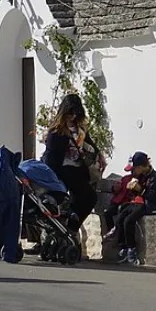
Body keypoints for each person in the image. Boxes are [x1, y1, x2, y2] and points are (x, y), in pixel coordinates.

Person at [40, 94, 100, 230]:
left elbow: (89, 144)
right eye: (69, 113)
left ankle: (71, 227)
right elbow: (51, 154)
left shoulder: (80, 129)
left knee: (88, 199)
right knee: (84, 198)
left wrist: (98, 155)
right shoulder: (57, 131)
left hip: (79, 169)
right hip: (63, 170)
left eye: (75, 113)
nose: (72, 116)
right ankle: (67, 228)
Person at [105, 152, 156, 265]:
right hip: (141, 203)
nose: (134, 171)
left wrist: (140, 189)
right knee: (121, 214)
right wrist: (132, 188)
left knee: (129, 221)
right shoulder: (142, 176)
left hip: (150, 206)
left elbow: (153, 197)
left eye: (135, 168)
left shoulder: (154, 179)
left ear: (141, 166)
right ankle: (123, 246)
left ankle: (131, 249)